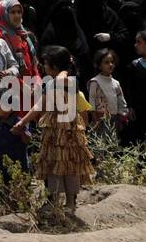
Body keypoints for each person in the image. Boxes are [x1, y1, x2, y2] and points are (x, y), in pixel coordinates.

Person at [12, 45, 93, 214]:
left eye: (47, 63)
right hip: (55, 130)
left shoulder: (65, 80)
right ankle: (57, 201)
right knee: (54, 164)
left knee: (68, 165)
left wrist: (63, 72)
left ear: (55, 66)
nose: (43, 66)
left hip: (67, 130)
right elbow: (39, 106)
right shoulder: (51, 83)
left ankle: (70, 203)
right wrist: (23, 123)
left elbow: (62, 82)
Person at [87, 49, 127, 131]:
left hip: (115, 120)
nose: (110, 64)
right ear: (99, 65)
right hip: (100, 120)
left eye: (112, 62)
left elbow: (121, 100)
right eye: (106, 62)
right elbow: (92, 103)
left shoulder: (116, 83)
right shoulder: (95, 82)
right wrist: (95, 120)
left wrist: (122, 116)